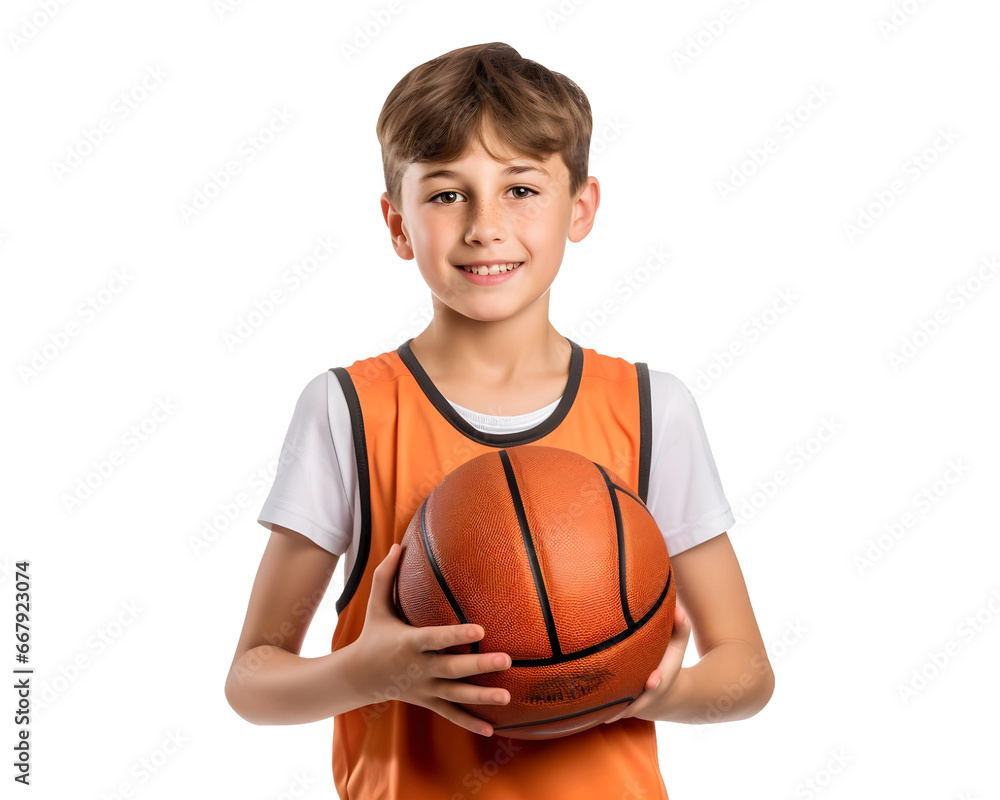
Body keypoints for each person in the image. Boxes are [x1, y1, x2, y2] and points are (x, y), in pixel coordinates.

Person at [225, 41, 774, 799]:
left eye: (521, 189)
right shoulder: (348, 409)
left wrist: (657, 692)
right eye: (448, 194)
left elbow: (746, 669)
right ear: (398, 224)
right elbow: (252, 679)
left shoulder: (652, 410)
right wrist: (368, 672)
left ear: (580, 207)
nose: (486, 225)